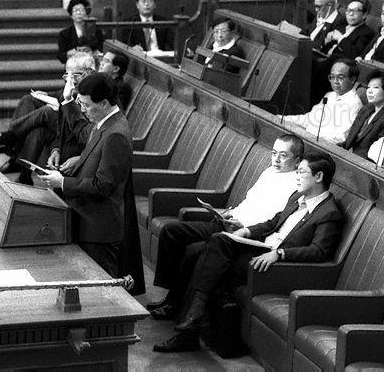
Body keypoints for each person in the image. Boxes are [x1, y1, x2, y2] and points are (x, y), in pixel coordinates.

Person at [154, 151, 344, 353]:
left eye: (301, 172)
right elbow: (273, 223)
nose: (296, 176)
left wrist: (279, 255)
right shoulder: (297, 197)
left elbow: (318, 251)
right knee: (199, 250)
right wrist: (247, 230)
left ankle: (190, 322)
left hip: (278, 266)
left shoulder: (329, 212)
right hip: (260, 248)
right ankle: (191, 321)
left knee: (211, 250)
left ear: (319, 176)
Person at [147, 134, 304, 321]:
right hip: (230, 222)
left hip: (245, 235)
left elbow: (274, 221)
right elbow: (250, 201)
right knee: (171, 232)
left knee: (193, 251)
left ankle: (174, 302)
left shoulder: (296, 185)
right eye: (274, 153)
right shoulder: (269, 172)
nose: (276, 159)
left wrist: (243, 226)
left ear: (297, 161)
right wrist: (229, 213)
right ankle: (173, 295)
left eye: (283, 155)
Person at [39, 74, 144, 295]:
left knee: (102, 296)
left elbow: (103, 186)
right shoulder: (105, 123)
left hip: (99, 230)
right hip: (89, 222)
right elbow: (88, 142)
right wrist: (79, 162)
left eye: (86, 105)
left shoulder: (116, 134)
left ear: (104, 103)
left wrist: (64, 183)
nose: (84, 110)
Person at [0, 53, 95, 180]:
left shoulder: (95, 90)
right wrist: (46, 94)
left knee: (47, 111)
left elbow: (88, 129)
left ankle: (11, 138)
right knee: (32, 112)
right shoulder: (72, 86)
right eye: (68, 75)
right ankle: (24, 176)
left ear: (89, 72)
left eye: (76, 75)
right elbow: (60, 95)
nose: (72, 80)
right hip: (64, 130)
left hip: (76, 136)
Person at [283, 58, 363, 144]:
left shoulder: (355, 104)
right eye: (332, 77)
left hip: (320, 147)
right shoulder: (329, 95)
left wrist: (309, 137)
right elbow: (309, 119)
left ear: (352, 79)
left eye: (340, 77)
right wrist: (282, 118)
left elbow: (341, 138)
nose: (335, 81)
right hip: (307, 139)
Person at [341, 69, 384, 159]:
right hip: (348, 155)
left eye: (375, 87)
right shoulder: (366, 108)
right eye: (368, 87)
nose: (369, 91)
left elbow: (377, 151)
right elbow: (349, 141)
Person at [57, 0, 104, 64]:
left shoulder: (97, 31)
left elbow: (101, 50)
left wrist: (92, 51)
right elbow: (61, 56)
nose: (78, 13)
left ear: (87, 13)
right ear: (71, 15)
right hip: (73, 67)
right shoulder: (64, 34)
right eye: (75, 10)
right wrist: (71, 53)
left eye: (81, 10)